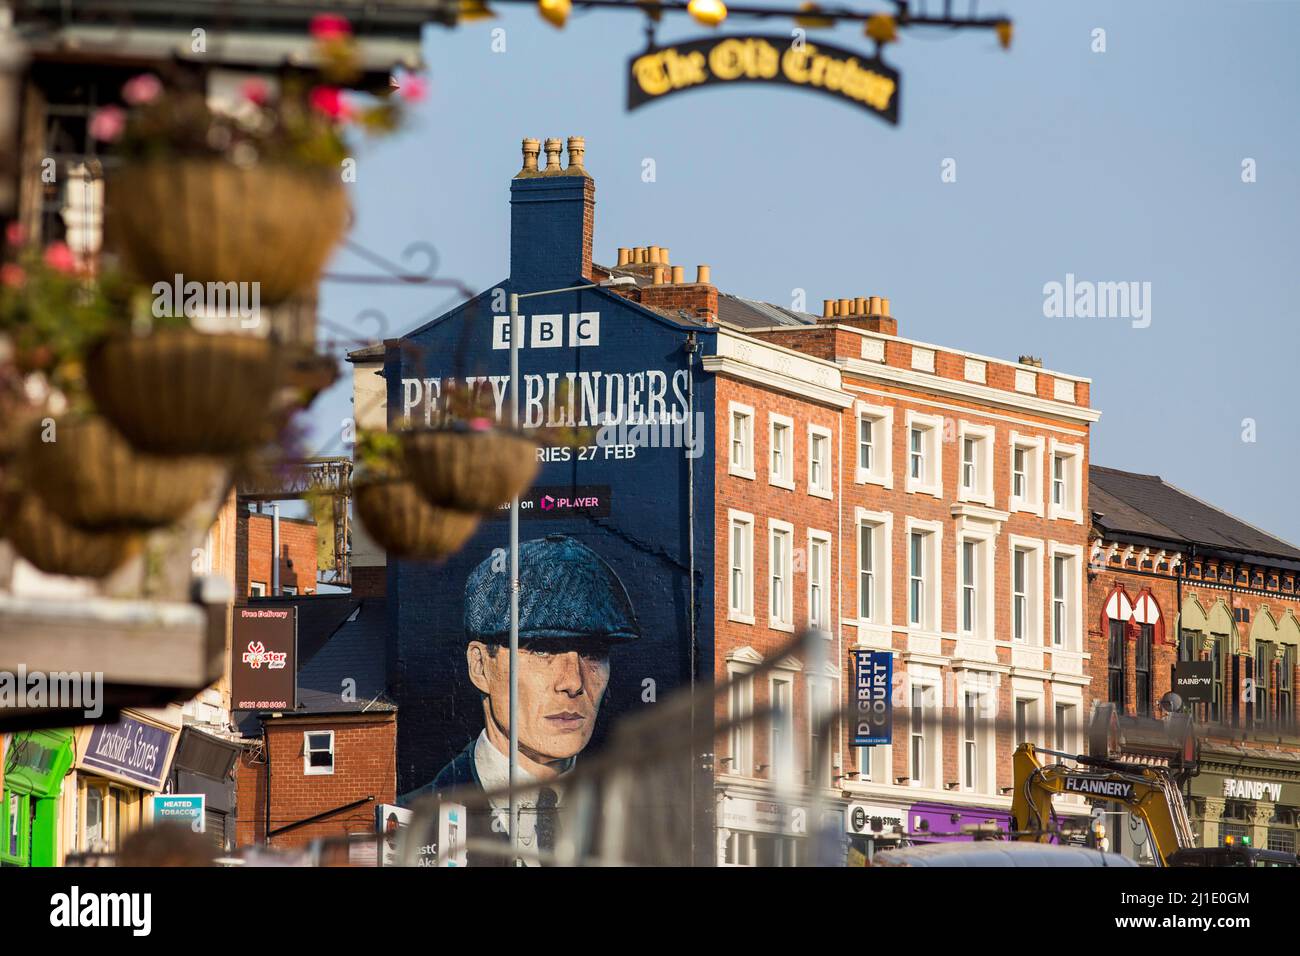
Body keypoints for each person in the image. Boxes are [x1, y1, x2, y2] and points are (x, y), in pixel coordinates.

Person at [402, 534, 639, 865]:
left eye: (593, 652)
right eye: (542, 649)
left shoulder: (639, 824)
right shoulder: (410, 823)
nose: (573, 682)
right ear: (480, 665)